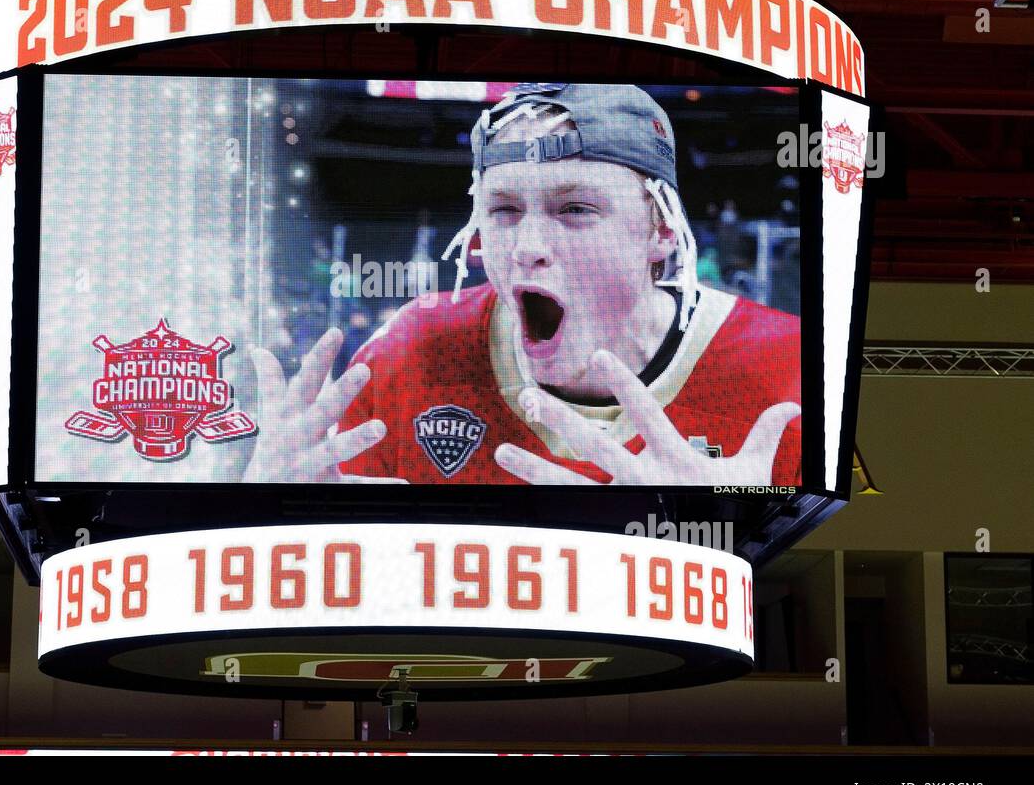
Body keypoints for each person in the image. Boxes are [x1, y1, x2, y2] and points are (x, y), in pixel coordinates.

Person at [243, 83, 801, 486]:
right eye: (504, 209)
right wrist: (266, 507)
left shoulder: (785, 365)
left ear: (659, 232)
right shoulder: (417, 350)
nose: (526, 245)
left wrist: (723, 527)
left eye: (576, 208)